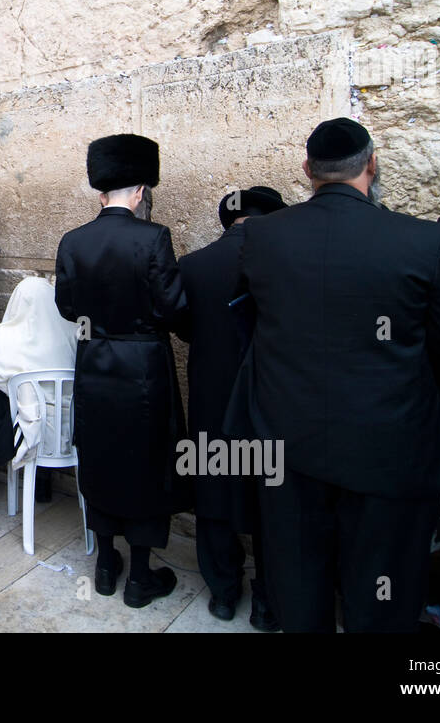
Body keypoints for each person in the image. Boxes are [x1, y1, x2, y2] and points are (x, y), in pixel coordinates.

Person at [232, 117, 440, 632]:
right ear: (373, 164)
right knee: (383, 592)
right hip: (389, 448)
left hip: (288, 446)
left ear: (307, 171)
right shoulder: (423, 241)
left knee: (298, 582)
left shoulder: (262, 237)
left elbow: (258, 325)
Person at [55, 134, 187, 608]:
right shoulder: (154, 237)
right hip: (144, 368)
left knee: (102, 456)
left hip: (94, 364)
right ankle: (139, 578)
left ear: (101, 193)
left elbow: (68, 307)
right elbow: (173, 308)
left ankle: (106, 564)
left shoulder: (73, 241)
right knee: (147, 463)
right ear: (138, 192)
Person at [178, 185, 285, 631]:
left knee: (214, 494)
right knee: (270, 502)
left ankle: (223, 594)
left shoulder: (192, 265)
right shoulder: (283, 262)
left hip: (211, 398)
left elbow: (183, 328)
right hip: (269, 402)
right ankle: (267, 603)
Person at [0, 276, 78, 511]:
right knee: (43, 404)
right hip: (67, 430)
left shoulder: (2, 339)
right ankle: (42, 483)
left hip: (27, 432)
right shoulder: (72, 334)